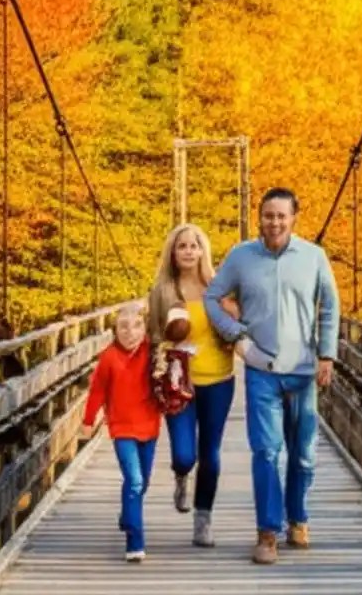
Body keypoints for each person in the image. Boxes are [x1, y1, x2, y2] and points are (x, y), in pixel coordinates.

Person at [203, 187, 340, 565]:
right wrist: (236, 337)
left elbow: (330, 305)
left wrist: (328, 353)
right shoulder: (240, 256)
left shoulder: (314, 257)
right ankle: (267, 533)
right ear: (259, 217)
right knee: (266, 451)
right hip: (261, 370)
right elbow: (212, 298)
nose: (274, 222)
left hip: (304, 371)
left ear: (294, 217)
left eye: (281, 215)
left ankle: (298, 516)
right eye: (268, 215)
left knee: (304, 457)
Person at [148, 223, 237, 547]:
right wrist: (169, 342)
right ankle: (181, 475)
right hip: (178, 380)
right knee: (185, 454)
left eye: (194, 245)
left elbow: (236, 327)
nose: (188, 251)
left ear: (203, 251)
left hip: (218, 379)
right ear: (173, 252)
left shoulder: (218, 288)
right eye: (181, 246)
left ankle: (203, 519)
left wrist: (233, 327)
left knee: (210, 453)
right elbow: (152, 336)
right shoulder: (163, 291)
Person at [81, 304, 160, 562]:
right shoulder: (109, 357)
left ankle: (127, 515)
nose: (130, 332)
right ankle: (134, 542)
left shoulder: (153, 352)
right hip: (122, 428)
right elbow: (97, 391)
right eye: (123, 327)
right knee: (135, 480)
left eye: (137, 326)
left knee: (143, 482)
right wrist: (88, 420)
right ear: (114, 330)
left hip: (149, 425)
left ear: (145, 328)